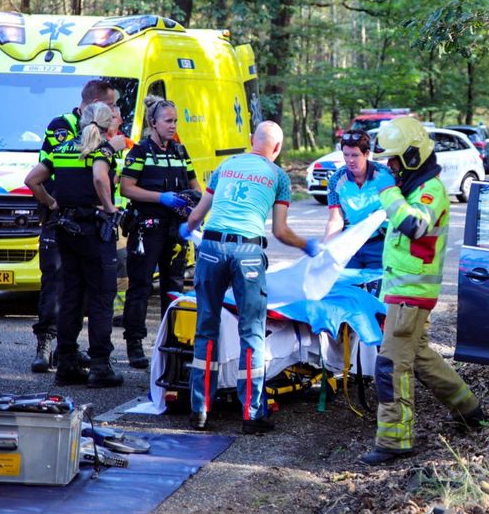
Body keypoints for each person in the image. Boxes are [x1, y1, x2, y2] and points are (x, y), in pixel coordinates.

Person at [360, 116, 488, 466]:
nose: (389, 166)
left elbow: (414, 226)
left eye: (394, 159)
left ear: (412, 157)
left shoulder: (429, 191)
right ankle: (469, 409)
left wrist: (387, 190)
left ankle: (394, 440)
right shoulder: (415, 188)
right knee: (419, 357)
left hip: (411, 296)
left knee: (391, 366)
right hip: (405, 293)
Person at [178, 121, 319, 434]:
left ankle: (200, 410)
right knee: (251, 331)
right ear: (278, 149)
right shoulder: (279, 176)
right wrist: (307, 246)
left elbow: (198, 214)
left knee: (206, 327)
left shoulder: (226, 165)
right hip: (248, 253)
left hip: (212, 247)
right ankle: (251, 414)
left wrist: (188, 229)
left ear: (251, 141)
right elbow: (281, 232)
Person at [23, 102, 127, 388]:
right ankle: (100, 367)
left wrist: (52, 203)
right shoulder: (103, 150)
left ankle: (66, 362)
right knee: (101, 297)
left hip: (65, 229)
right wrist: (109, 208)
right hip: (93, 229)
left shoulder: (62, 148)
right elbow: (98, 177)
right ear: (109, 126)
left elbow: (31, 180)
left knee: (70, 295)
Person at [119, 96, 202, 368]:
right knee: (140, 288)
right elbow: (126, 188)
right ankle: (134, 345)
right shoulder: (140, 151)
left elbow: (196, 187)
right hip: (147, 228)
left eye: (175, 120)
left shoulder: (180, 151)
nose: (173, 125)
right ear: (153, 123)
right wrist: (161, 198)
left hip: (176, 230)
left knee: (174, 288)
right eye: (168, 121)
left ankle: (174, 345)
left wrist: (191, 200)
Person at [323, 129, 395, 285]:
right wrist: (326, 250)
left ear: (366, 153)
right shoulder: (336, 180)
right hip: (350, 246)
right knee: (347, 295)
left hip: (380, 245)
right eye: (346, 155)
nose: (350, 160)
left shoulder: (385, 175)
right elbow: (335, 219)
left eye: (355, 155)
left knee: (379, 298)